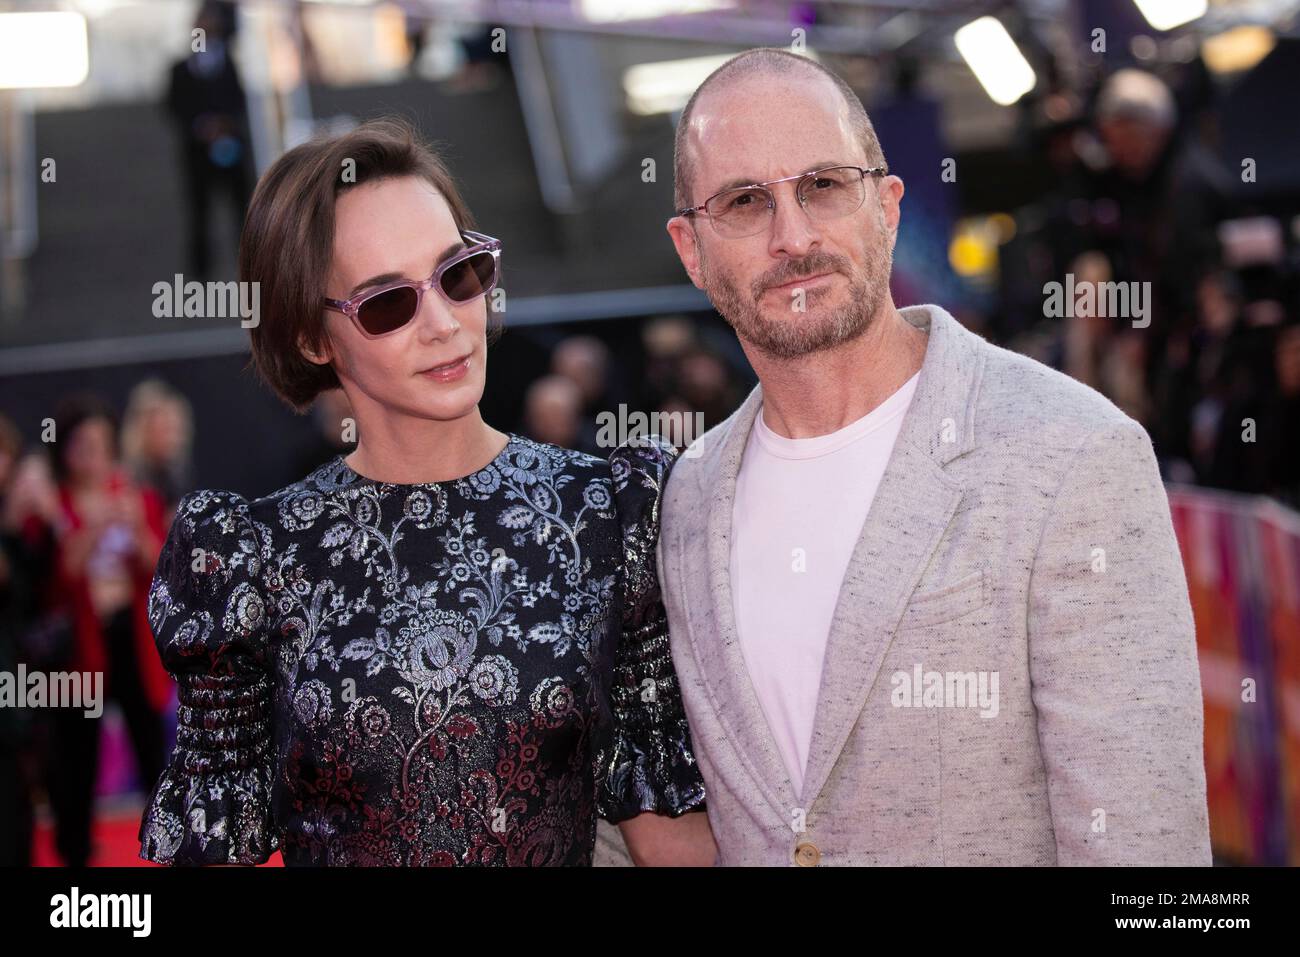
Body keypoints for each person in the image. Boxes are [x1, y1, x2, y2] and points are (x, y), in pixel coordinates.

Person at [656, 48, 1210, 866]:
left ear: (886, 205)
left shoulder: (1073, 456)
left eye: (823, 185)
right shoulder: (683, 502)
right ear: (691, 250)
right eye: (744, 201)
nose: (793, 236)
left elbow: (1146, 855)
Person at [136, 118, 711, 866]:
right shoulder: (255, 559)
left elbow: (664, 827)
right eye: (386, 304)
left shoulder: (608, 511)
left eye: (459, 273)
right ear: (314, 338)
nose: (444, 323)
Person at [47, 396, 170, 866]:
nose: (92, 456)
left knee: (151, 747)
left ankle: (166, 844)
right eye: (82, 446)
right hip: (82, 647)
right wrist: (94, 526)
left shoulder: (135, 496)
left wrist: (136, 529)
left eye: (100, 445)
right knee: (77, 756)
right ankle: (74, 852)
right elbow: (60, 574)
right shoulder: (56, 503)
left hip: (130, 638)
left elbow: (159, 565)